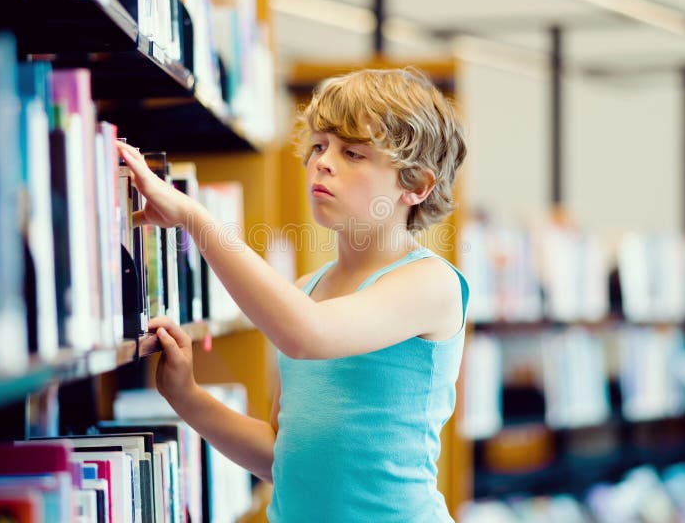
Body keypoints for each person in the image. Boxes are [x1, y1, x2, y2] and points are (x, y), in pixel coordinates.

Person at [117, 67, 470, 522]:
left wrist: (194, 218)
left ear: (417, 185)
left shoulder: (431, 283)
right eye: (319, 145)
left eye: (354, 153)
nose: (322, 161)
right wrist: (186, 396)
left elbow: (307, 334)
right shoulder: (306, 291)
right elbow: (284, 459)